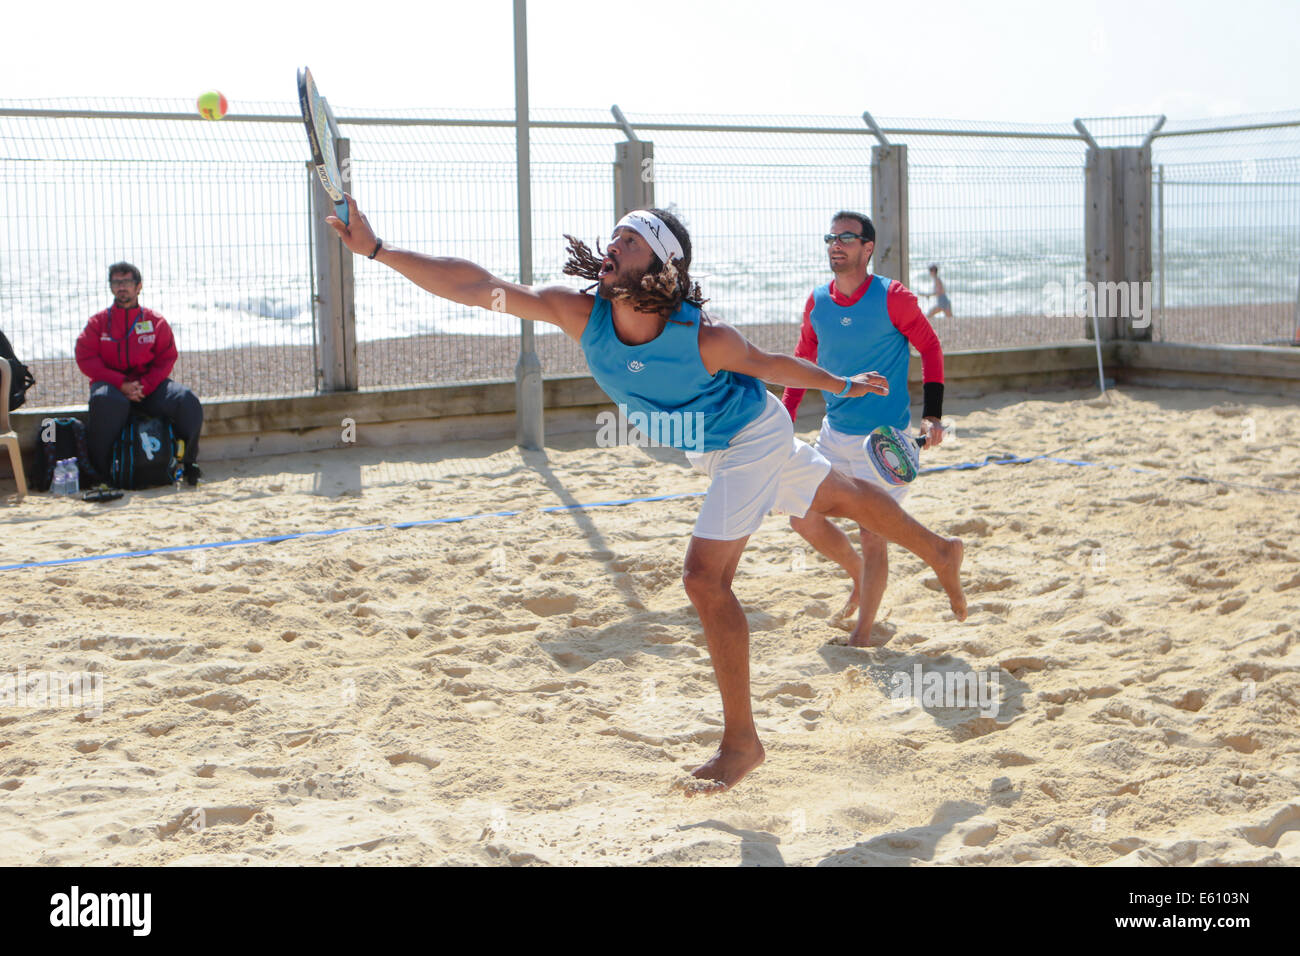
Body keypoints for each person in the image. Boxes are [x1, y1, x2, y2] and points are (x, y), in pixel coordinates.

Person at [326, 195, 966, 796]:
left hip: (748, 435)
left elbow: (772, 364)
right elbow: (476, 286)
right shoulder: (580, 312)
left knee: (703, 579)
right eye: (614, 236)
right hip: (721, 443)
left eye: (629, 240)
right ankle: (939, 550)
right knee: (839, 496)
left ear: (661, 266)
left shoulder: (703, 336)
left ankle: (742, 743)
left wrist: (842, 383)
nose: (612, 245)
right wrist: (378, 249)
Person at [781, 212, 947, 648]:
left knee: (874, 535)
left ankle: (864, 633)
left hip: (884, 441)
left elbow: (929, 346)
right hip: (834, 433)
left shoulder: (893, 296)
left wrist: (933, 415)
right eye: (831, 237)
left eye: (847, 238)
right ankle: (857, 574)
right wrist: (785, 417)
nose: (837, 244)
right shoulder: (818, 301)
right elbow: (803, 361)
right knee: (802, 515)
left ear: (867, 248)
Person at [75, 262, 203, 485]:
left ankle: (188, 462)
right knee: (105, 400)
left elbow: (166, 357)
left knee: (186, 400)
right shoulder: (98, 323)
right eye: (116, 282)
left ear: (139, 286)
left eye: (126, 282)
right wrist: (120, 383)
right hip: (112, 387)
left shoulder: (155, 322)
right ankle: (100, 473)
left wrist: (145, 385)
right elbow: (85, 358)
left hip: (148, 387)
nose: (121, 287)